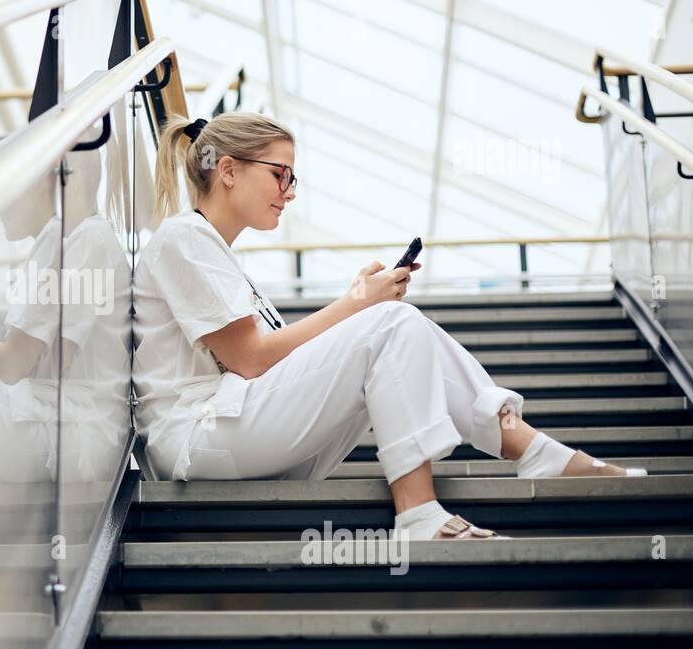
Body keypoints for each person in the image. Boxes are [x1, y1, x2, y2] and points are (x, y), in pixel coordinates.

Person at [131, 112, 645, 541]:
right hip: (197, 439)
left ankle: (538, 452)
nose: (289, 192)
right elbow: (251, 359)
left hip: (236, 431)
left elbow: (269, 363)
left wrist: (360, 309)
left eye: (293, 179)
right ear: (228, 170)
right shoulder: (183, 238)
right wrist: (357, 306)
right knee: (390, 323)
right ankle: (423, 510)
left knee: (399, 324)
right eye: (279, 174)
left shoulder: (218, 257)